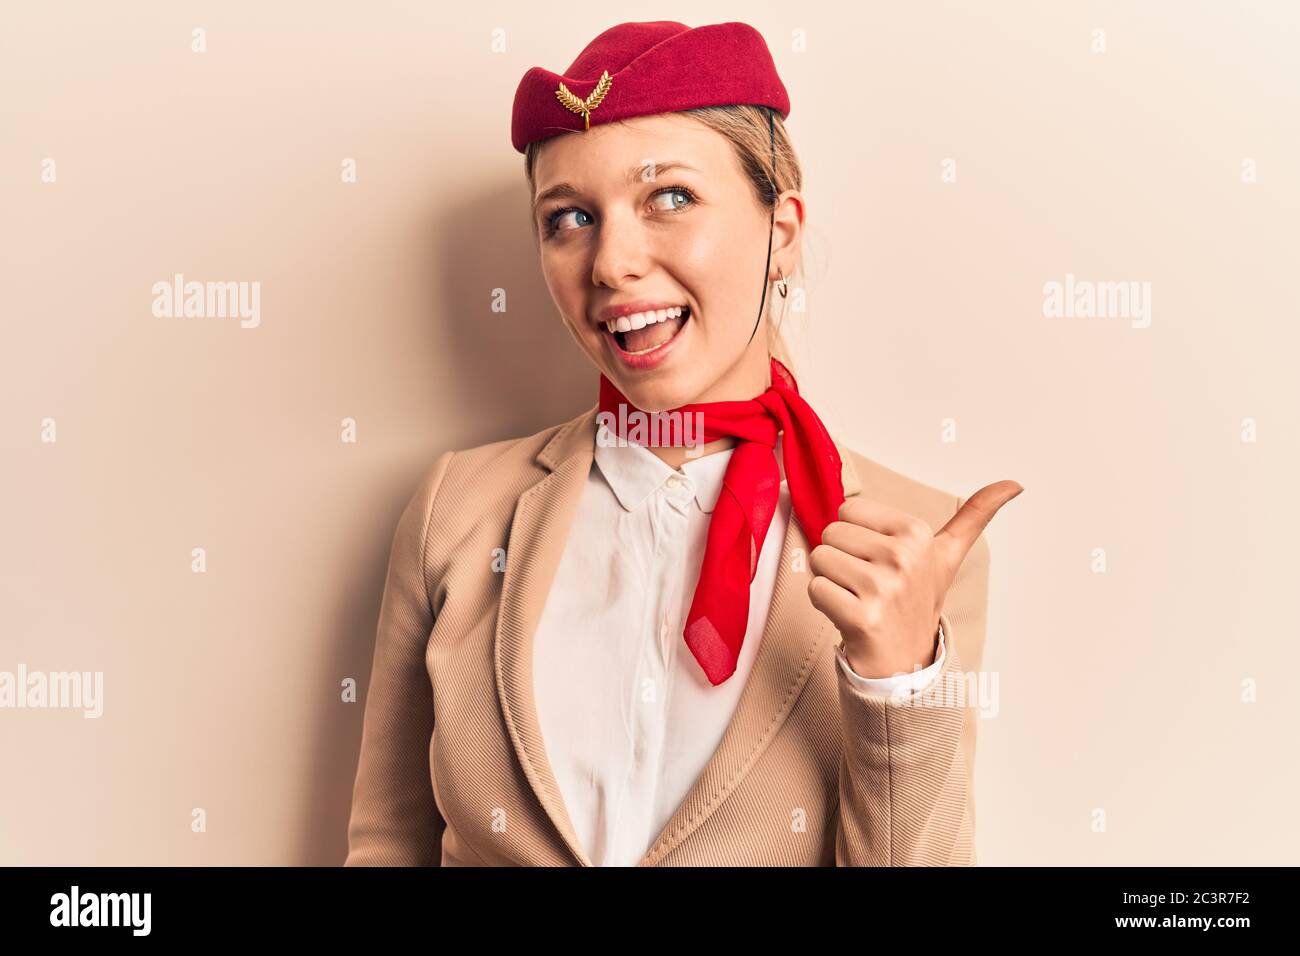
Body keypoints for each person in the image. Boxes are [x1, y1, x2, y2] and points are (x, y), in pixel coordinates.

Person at [344, 19, 1021, 867]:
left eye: (670, 197)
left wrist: (897, 685)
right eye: (569, 219)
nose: (612, 264)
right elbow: (387, 845)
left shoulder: (911, 544)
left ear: (782, 229)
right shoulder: (456, 510)